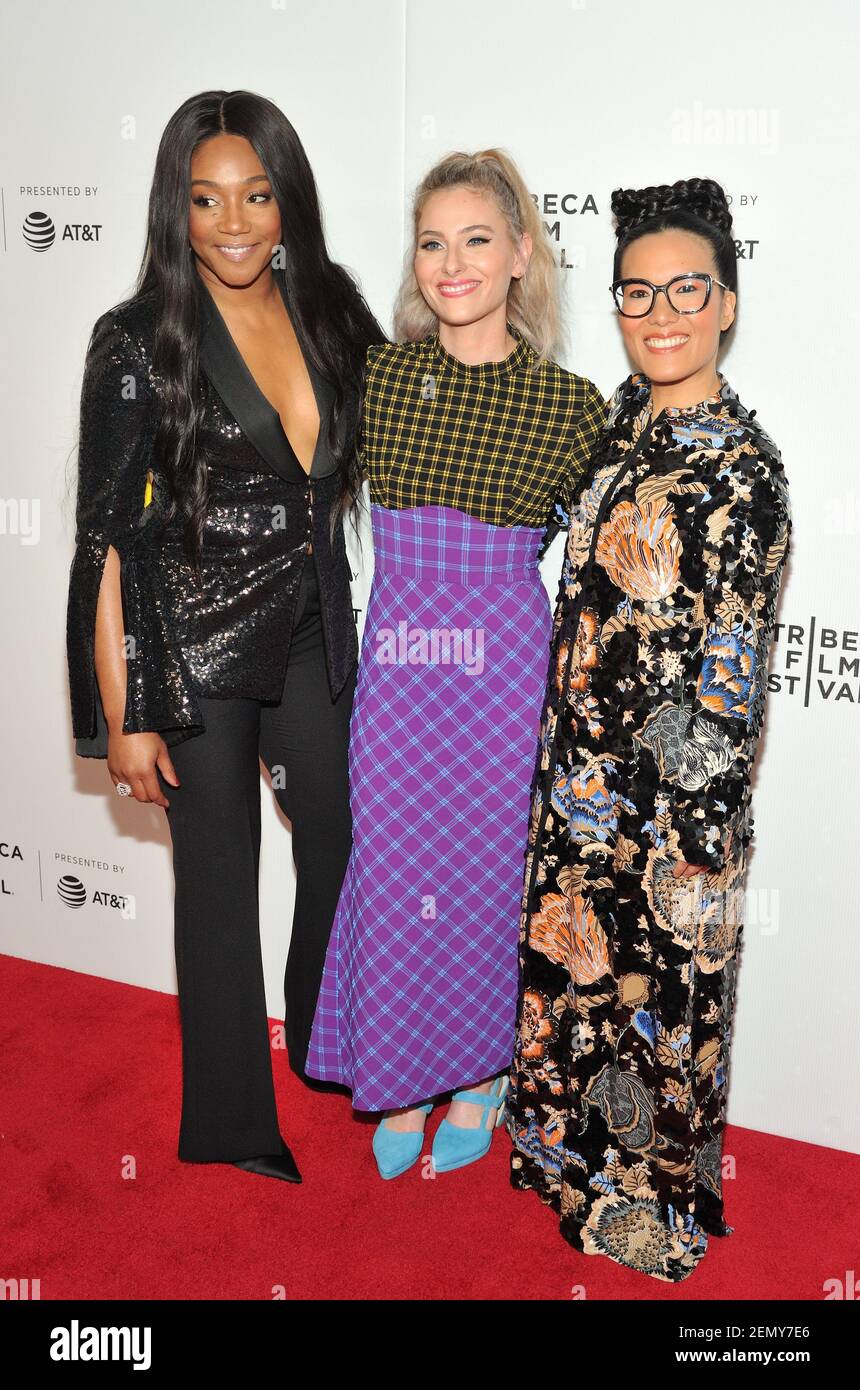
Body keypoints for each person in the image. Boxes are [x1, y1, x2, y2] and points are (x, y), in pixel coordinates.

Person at [66, 90, 383, 1183]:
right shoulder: (137, 339)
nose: (234, 222)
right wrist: (121, 710)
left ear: (287, 202)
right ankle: (233, 1126)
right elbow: (104, 540)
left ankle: (319, 1027)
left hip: (307, 626)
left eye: (256, 195)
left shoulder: (330, 308)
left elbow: (391, 427)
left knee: (341, 829)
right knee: (218, 875)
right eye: (206, 199)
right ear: (176, 209)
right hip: (188, 642)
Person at [505, 177, 791, 1281]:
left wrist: (691, 843)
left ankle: (650, 1206)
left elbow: (732, 682)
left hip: (673, 805)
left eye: (686, 289)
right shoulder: (616, 420)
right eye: (636, 291)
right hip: (578, 773)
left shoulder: (743, 474)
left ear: (724, 301)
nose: (659, 312)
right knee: (573, 979)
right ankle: (563, 1162)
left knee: (655, 1003)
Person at [304, 149, 607, 1179]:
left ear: (520, 253)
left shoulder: (570, 406)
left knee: (482, 882)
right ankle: (400, 1070)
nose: (452, 261)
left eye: (477, 238)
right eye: (432, 242)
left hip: (501, 679)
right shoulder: (380, 378)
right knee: (393, 871)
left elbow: (603, 565)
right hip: (397, 672)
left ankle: (478, 1075)